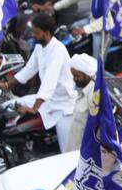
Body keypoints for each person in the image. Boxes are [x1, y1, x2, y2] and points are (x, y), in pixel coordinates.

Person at [12, 13, 80, 151]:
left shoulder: (58, 50)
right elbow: (29, 70)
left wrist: (34, 108)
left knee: (66, 151)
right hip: (46, 100)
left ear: (47, 33)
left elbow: (49, 81)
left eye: (36, 33)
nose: (33, 36)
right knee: (9, 105)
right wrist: (7, 85)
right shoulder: (39, 47)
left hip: (63, 106)